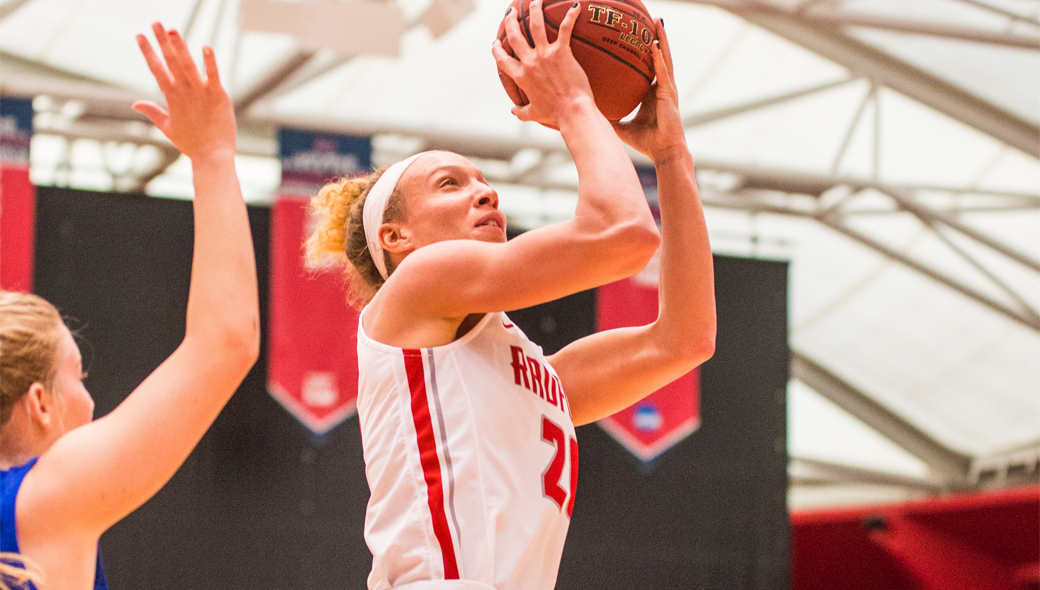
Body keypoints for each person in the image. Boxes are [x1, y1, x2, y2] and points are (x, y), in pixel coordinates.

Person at [306, 2, 715, 588]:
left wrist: (673, 158)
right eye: (450, 183)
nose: (485, 193)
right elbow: (623, 235)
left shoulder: (536, 381)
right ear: (396, 238)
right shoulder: (417, 285)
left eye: (483, 180)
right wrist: (575, 103)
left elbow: (685, 340)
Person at [0, 24, 259, 589]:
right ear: (40, 402)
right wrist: (213, 155)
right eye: (79, 376)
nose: (90, 397)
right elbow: (225, 343)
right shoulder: (41, 499)